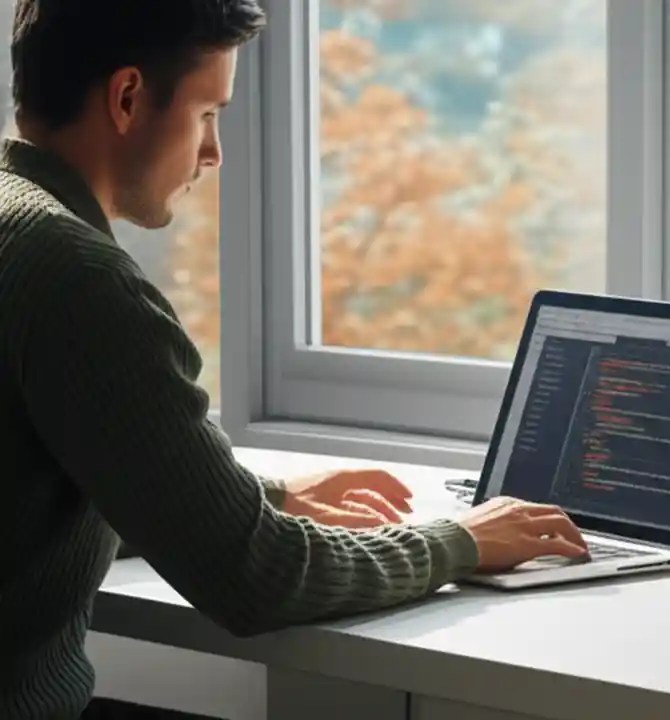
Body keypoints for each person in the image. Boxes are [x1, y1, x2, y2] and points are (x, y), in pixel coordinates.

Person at [0, 1, 590, 718]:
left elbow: (52, 479)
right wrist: (461, 541)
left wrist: (263, 498)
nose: (213, 154)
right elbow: (258, 577)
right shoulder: (75, 277)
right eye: (208, 114)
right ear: (127, 98)